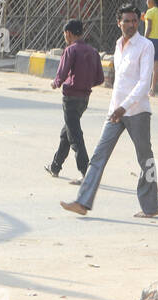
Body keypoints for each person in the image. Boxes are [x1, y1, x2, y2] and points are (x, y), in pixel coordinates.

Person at [60, 4, 158, 219]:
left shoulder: (145, 46)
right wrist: (116, 107)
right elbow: (119, 83)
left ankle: (151, 206)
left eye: (134, 20)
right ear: (119, 23)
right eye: (127, 21)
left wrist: (125, 106)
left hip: (138, 112)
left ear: (138, 22)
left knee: (146, 159)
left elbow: (144, 83)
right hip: (115, 112)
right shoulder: (117, 45)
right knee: (98, 156)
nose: (131, 24)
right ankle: (83, 202)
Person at [45, 19, 104, 184]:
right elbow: (99, 78)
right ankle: (55, 166)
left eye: (65, 34)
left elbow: (62, 74)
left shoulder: (71, 50)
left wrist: (55, 83)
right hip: (84, 98)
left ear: (69, 33)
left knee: (74, 136)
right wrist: (85, 84)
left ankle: (86, 171)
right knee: (68, 132)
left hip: (70, 98)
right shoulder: (93, 51)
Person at [142, 0, 158, 95]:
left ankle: (143, 87)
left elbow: (149, 27)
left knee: (146, 64)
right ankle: (152, 89)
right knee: (156, 65)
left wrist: (144, 40)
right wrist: (145, 18)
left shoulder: (150, 12)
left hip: (150, 40)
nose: (146, 2)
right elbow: (154, 23)